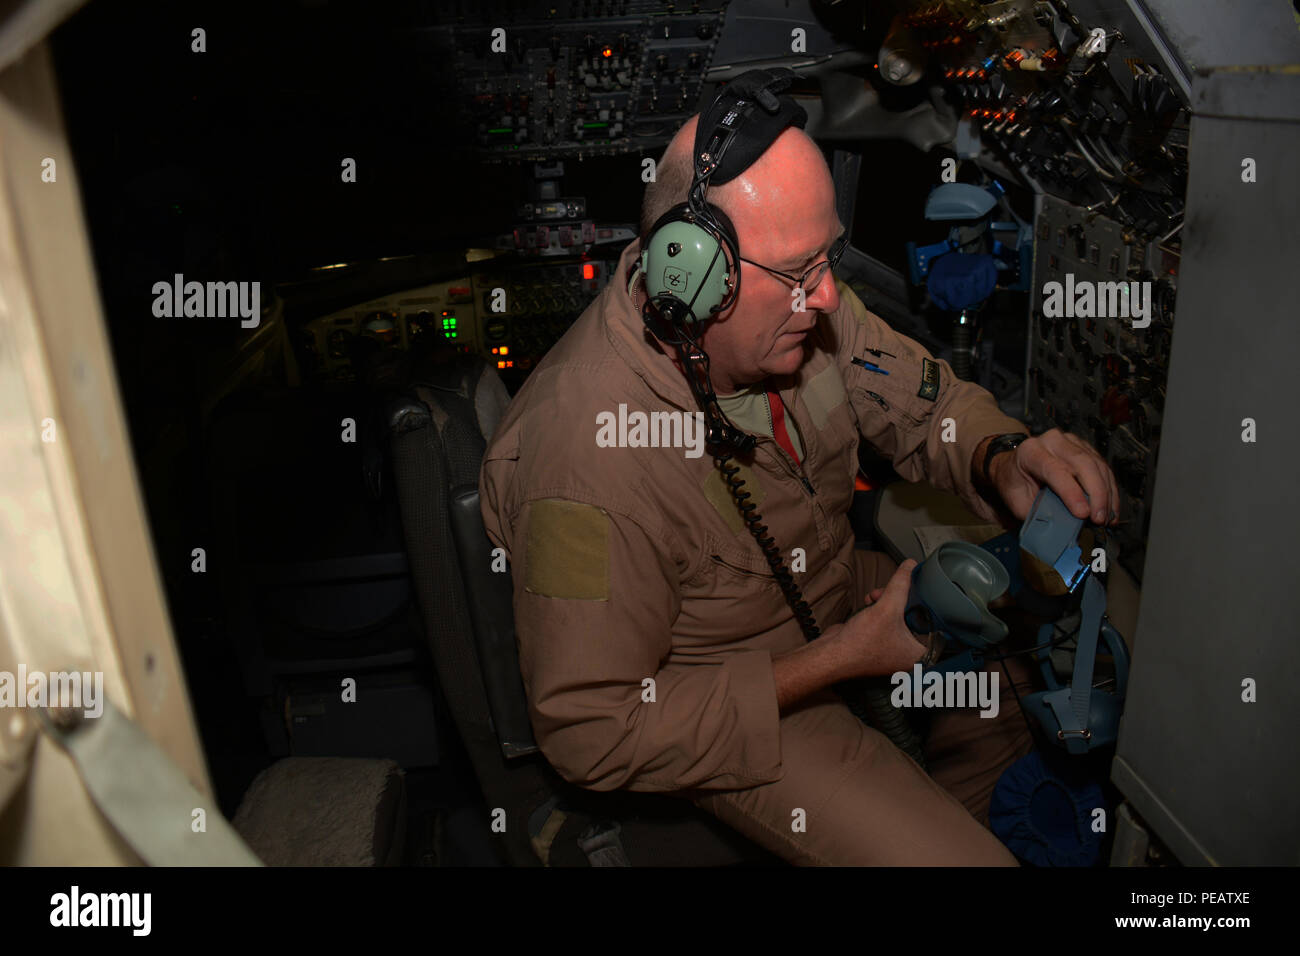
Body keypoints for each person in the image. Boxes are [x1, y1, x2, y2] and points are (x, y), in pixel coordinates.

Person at [479, 113, 1121, 865]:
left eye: (829, 259)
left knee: (1015, 684)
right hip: (722, 682)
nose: (824, 298)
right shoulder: (585, 459)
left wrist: (1000, 457)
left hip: (830, 582)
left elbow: (931, 407)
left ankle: (934, 814)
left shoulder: (804, 306)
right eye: (794, 273)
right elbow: (594, 733)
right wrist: (841, 660)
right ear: (689, 277)